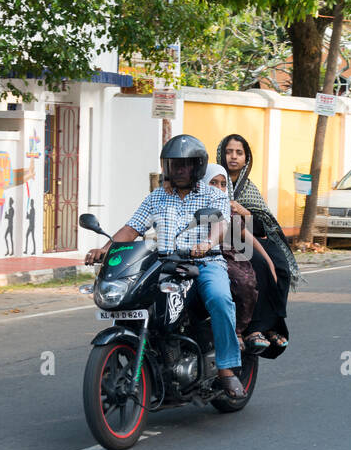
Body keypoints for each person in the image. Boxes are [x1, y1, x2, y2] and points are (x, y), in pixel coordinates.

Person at [85, 135, 246, 398]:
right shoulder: (157, 198)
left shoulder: (214, 194)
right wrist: (105, 250)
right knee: (134, 299)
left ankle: (227, 370)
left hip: (204, 262)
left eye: (185, 165)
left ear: (198, 166)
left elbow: (220, 225)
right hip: (165, 264)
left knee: (219, 298)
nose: (179, 170)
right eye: (174, 165)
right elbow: (131, 228)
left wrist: (206, 243)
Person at [217, 133, 299, 354]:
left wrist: (245, 213)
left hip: (247, 233)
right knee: (259, 265)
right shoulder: (212, 180)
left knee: (280, 266)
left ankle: (273, 325)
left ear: (246, 158)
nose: (233, 157)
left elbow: (263, 225)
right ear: (221, 155)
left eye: (239, 152)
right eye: (228, 151)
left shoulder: (249, 189)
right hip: (220, 235)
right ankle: (254, 328)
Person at [203, 164, 261, 345]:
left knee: (243, 281)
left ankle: (236, 331)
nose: (219, 189)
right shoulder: (190, 203)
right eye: (213, 183)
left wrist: (269, 261)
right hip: (191, 257)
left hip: (223, 256)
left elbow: (248, 234)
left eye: (223, 184)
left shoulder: (228, 209)